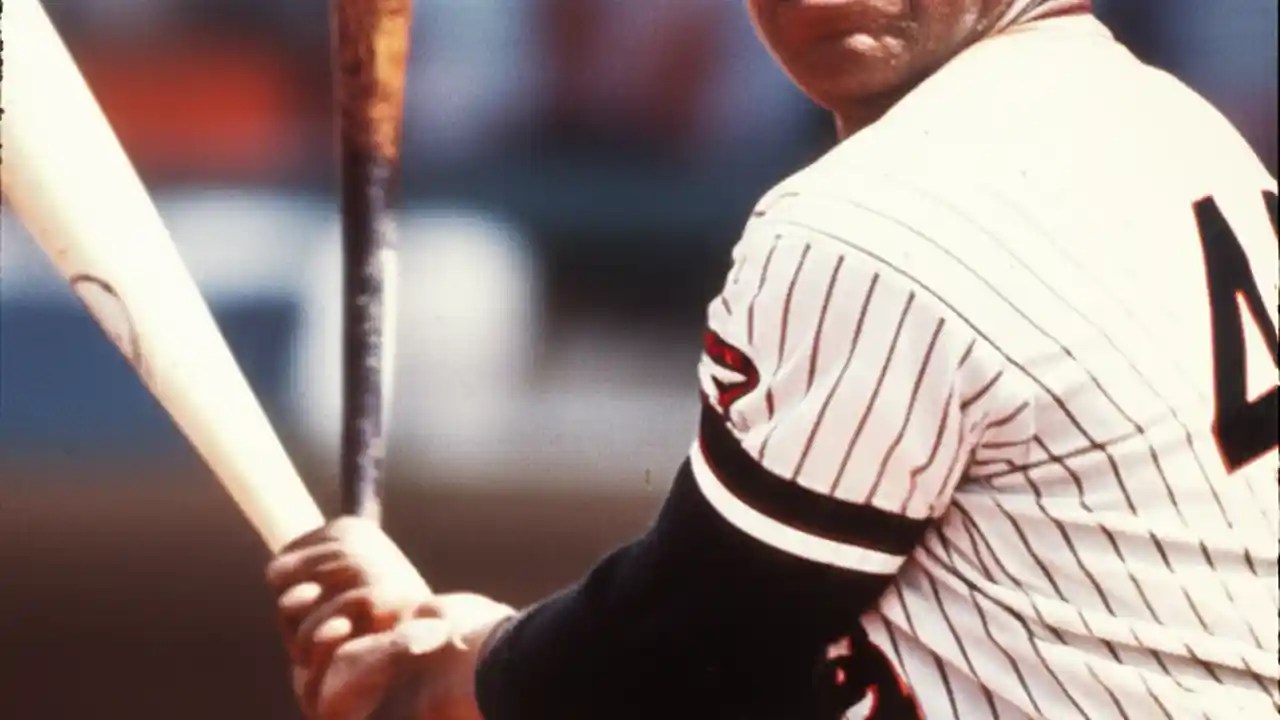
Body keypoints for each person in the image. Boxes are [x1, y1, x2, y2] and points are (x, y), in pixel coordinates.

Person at [266, 0, 1280, 717]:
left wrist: (443, 675)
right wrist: (462, 652)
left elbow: (691, 651)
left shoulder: (878, 212)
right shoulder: (1182, 129)